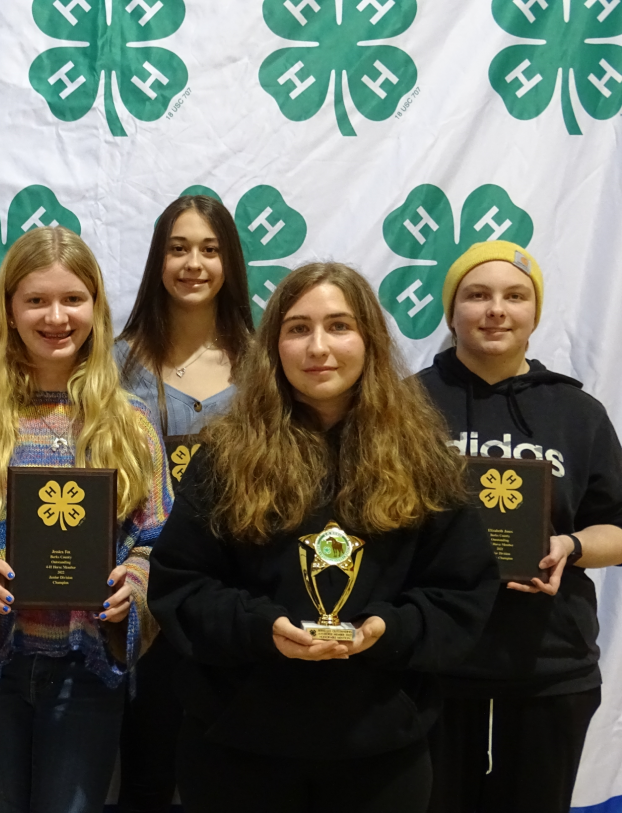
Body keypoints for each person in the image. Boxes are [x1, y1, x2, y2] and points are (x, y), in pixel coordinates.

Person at [148, 262, 499, 813]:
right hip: (239, 748)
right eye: (298, 328)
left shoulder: (424, 458)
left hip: (380, 751)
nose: (318, 347)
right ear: (274, 345)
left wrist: (387, 629)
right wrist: (262, 628)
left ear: (370, 339)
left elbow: (462, 593)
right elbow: (181, 587)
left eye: (339, 326)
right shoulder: (223, 455)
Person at [0, 226, 173, 813]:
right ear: (9, 310)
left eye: (72, 299)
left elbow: (157, 539)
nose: (56, 317)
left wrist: (134, 584)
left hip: (87, 670)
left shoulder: (131, 424)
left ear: (96, 308)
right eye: (36, 300)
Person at [418, 241, 622, 813]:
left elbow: (616, 529)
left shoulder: (577, 412)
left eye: (515, 296)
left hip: (548, 665)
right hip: (433, 663)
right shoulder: (406, 404)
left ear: (534, 312)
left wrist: (569, 546)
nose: (496, 310)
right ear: (451, 310)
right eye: (476, 295)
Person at [113, 194, 253, 812]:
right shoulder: (115, 363)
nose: (193, 263)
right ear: (158, 260)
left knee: (227, 777)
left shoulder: (264, 363)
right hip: (143, 595)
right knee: (145, 772)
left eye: (209, 249)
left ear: (230, 262)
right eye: (178, 249)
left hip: (233, 595)